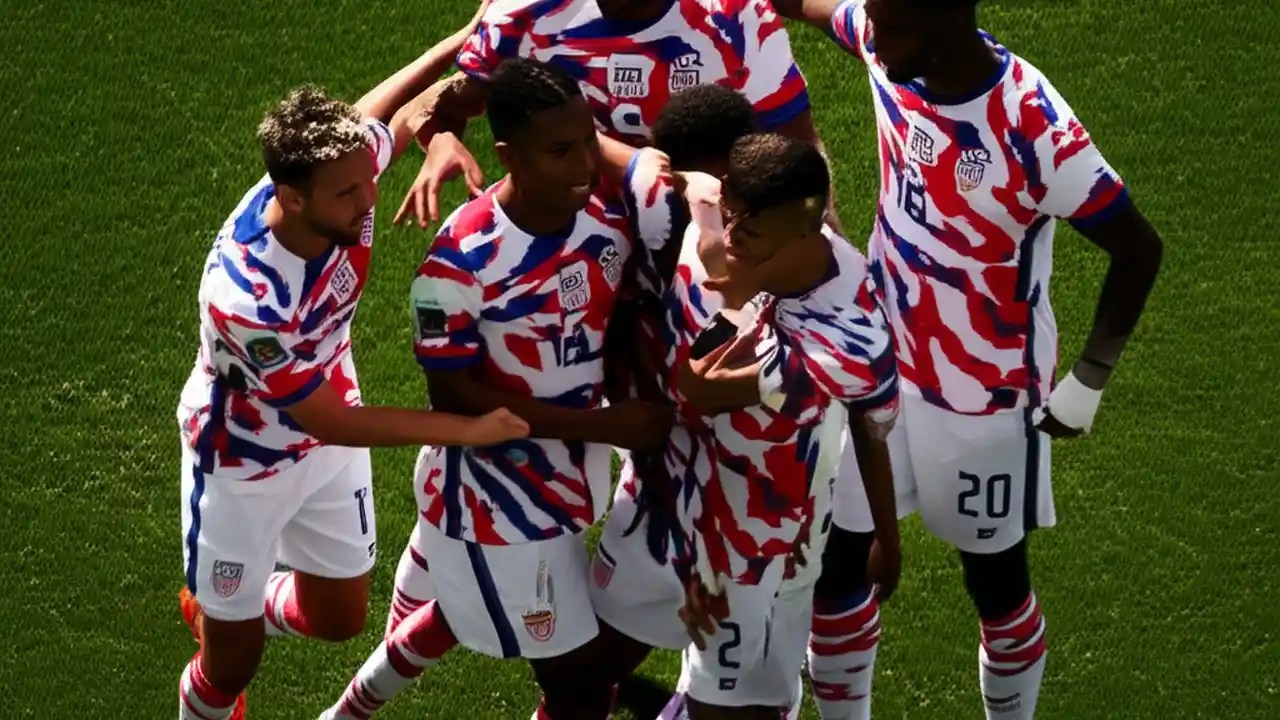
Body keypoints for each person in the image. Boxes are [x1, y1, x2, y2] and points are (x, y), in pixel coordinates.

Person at [769, 2, 1165, 718]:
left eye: (892, 28)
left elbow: (1139, 249)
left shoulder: (1035, 125)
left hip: (987, 394)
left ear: (947, 22)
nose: (874, 40)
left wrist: (1089, 379)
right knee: (836, 569)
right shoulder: (889, 42)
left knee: (995, 583)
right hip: (879, 368)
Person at [173, 10, 529, 720]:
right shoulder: (246, 298)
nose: (369, 199)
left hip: (324, 430)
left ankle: (225, 607)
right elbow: (331, 421)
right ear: (291, 196)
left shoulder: (337, 181)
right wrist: (468, 430)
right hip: (242, 462)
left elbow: (385, 114)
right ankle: (218, 622)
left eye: (366, 181)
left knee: (338, 619)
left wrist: (463, 41)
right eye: (349, 193)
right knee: (231, 665)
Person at [318, 57, 672, 720]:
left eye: (588, 143)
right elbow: (455, 400)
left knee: (455, 615)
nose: (584, 166)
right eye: (559, 152)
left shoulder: (606, 220)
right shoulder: (459, 263)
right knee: (580, 686)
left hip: (571, 480)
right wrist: (603, 425)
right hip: (498, 505)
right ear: (509, 155)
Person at [598, 131, 903, 720]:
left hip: (768, 546)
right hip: (684, 512)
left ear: (808, 231)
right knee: (599, 669)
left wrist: (885, 538)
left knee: (746, 705)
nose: (730, 238)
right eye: (731, 216)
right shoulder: (729, 222)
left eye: (750, 233)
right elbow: (678, 180)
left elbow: (701, 387)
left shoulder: (850, 336)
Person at [393, 0, 832, 228]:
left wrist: (826, 245)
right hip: (577, 246)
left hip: (706, 241)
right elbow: (449, 103)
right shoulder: (523, 14)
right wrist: (442, 139)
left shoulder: (736, 16)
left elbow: (796, 149)